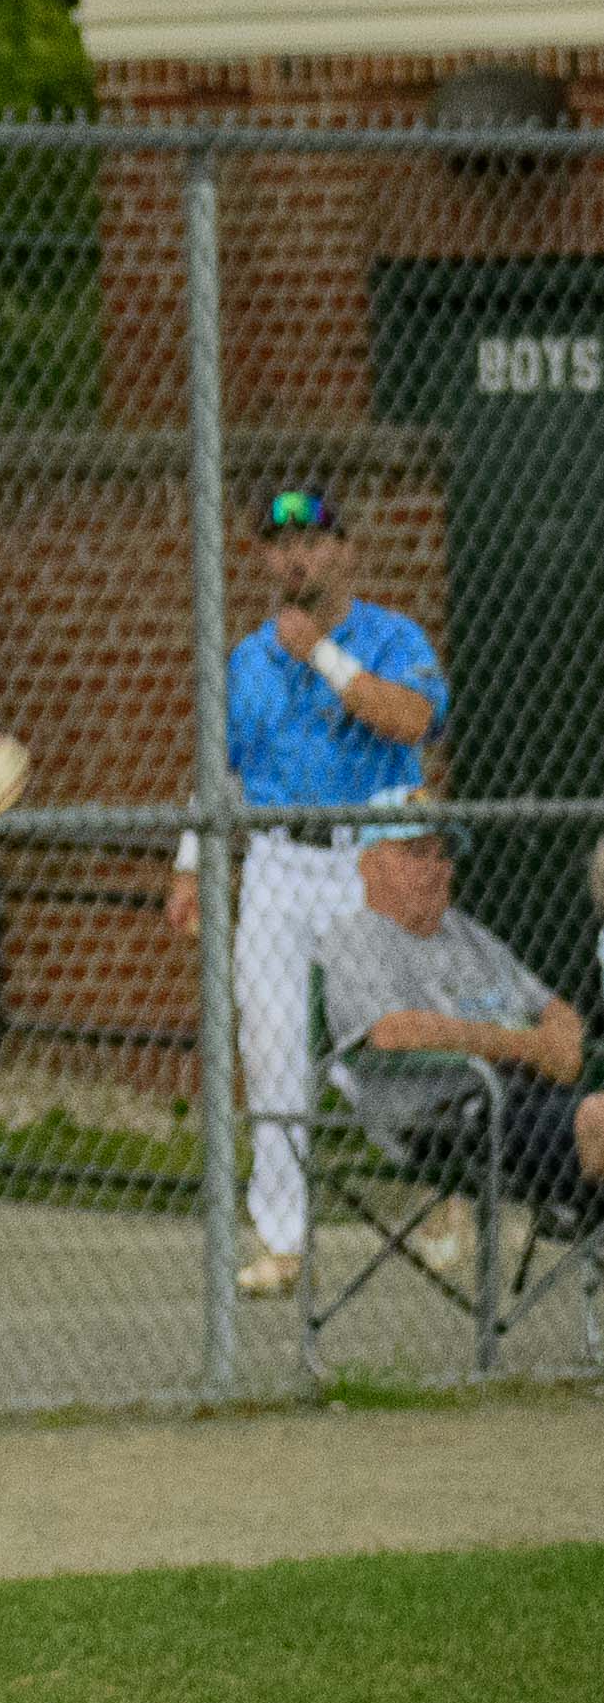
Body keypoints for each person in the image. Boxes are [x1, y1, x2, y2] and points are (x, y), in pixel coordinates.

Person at [166, 485, 447, 1298]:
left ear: (346, 550)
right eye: (279, 542)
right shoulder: (247, 659)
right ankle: (282, 1241)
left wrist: (321, 655)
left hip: (370, 863)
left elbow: (413, 720)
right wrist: (191, 865)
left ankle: (446, 1192)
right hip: (279, 866)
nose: (296, 556)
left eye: (314, 541)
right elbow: (221, 773)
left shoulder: (389, 637)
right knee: (272, 1043)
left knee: (384, 1034)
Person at [318, 823, 601, 1227]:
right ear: (370, 865)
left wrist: (562, 1039)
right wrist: (524, 1046)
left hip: (534, 1099)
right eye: (416, 853)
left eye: (443, 855)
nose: (439, 869)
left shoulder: (466, 932)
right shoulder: (358, 938)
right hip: (449, 1119)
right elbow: (392, 1032)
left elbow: (554, 1008)